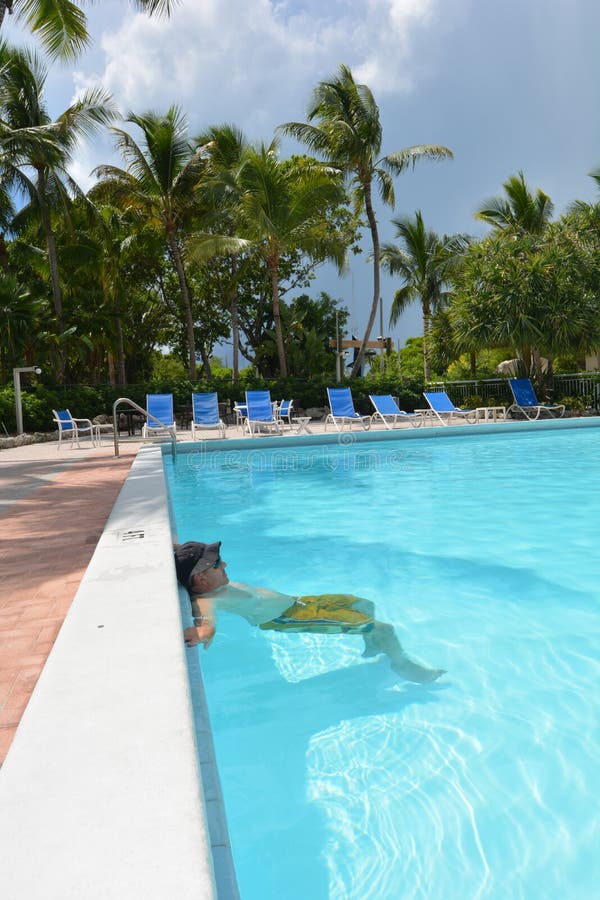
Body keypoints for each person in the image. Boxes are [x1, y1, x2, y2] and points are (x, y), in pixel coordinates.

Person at [174, 540, 445, 684]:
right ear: (200, 580)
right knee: (386, 628)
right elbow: (206, 624)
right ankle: (402, 664)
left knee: (363, 603)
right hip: (290, 617)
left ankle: (371, 644)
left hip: (299, 601)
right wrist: (202, 632)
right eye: (217, 564)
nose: (224, 563)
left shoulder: (214, 582)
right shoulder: (207, 600)